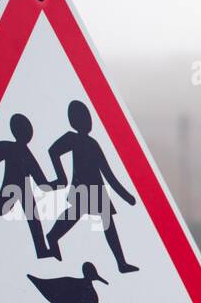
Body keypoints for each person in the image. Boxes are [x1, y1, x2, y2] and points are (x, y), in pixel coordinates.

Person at [43, 100, 140, 273]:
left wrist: (127, 196)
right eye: (84, 118)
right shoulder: (71, 138)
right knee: (75, 216)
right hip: (83, 188)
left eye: (88, 118)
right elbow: (53, 151)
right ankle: (52, 236)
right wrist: (61, 176)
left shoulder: (93, 143)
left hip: (97, 189)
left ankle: (121, 263)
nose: (88, 122)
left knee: (105, 222)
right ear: (75, 121)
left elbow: (108, 173)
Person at [0, 113, 53, 258]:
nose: (29, 133)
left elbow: (41, 181)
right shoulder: (7, 147)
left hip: (24, 188)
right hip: (12, 186)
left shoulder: (23, 151)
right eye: (26, 130)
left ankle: (41, 250)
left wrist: (58, 183)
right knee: (3, 207)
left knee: (32, 217)